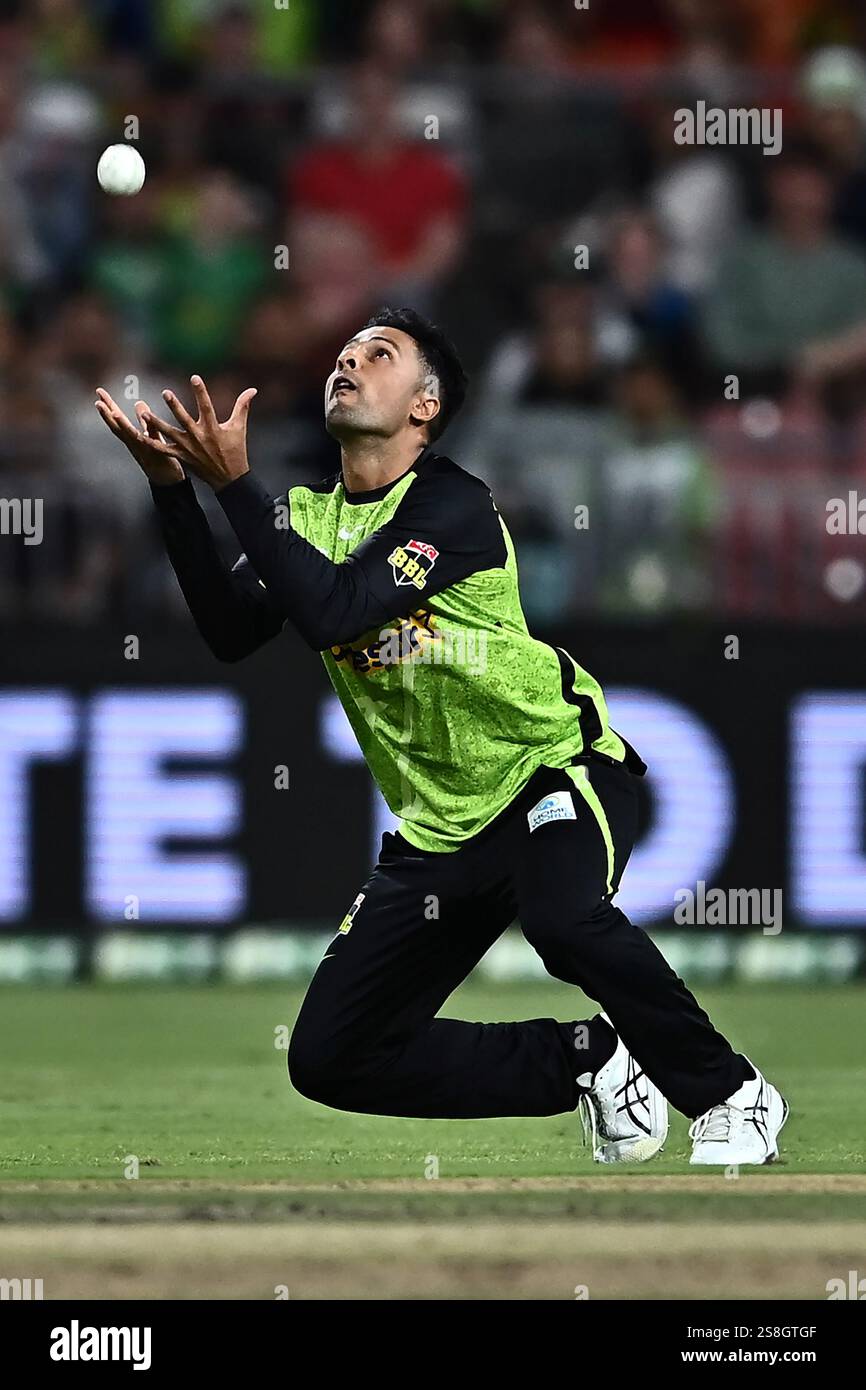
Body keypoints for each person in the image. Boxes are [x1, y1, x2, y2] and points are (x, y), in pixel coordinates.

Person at [94, 307, 787, 1165]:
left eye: (377, 356)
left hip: (549, 766)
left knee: (565, 923)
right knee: (330, 1056)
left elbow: (335, 613)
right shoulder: (309, 517)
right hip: (439, 826)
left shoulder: (453, 504)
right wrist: (173, 489)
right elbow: (234, 632)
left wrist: (236, 487)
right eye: (342, 355)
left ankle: (732, 1092)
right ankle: (586, 1061)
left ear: (424, 405)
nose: (347, 365)